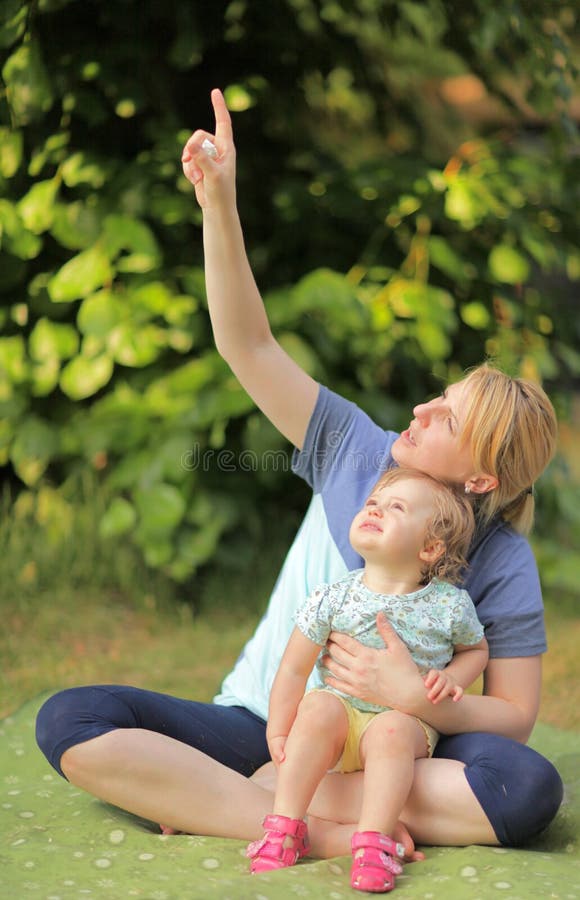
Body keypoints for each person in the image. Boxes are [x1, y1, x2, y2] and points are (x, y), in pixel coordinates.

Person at [35, 88, 563, 863]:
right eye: (438, 398)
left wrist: (416, 699)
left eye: (447, 419)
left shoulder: (503, 559)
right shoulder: (351, 446)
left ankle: (229, 798)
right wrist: (219, 204)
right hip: (265, 725)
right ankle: (326, 825)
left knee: (529, 787)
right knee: (70, 721)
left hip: (397, 740)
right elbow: (248, 345)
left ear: (482, 480)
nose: (422, 410)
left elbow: (513, 715)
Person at [247, 466, 489, 892]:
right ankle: (284, 827)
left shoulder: (449, 606)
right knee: (317, 706)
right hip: (339, 719)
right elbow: (294, 668)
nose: (375, 509)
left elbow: (476, 651)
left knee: (391, 729)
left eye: (396, 508)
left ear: (430, 548)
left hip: (404, 723)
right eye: (373, 502)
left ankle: (374, 841)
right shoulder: (333, 596)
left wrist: (453, 677)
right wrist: (279, 728)